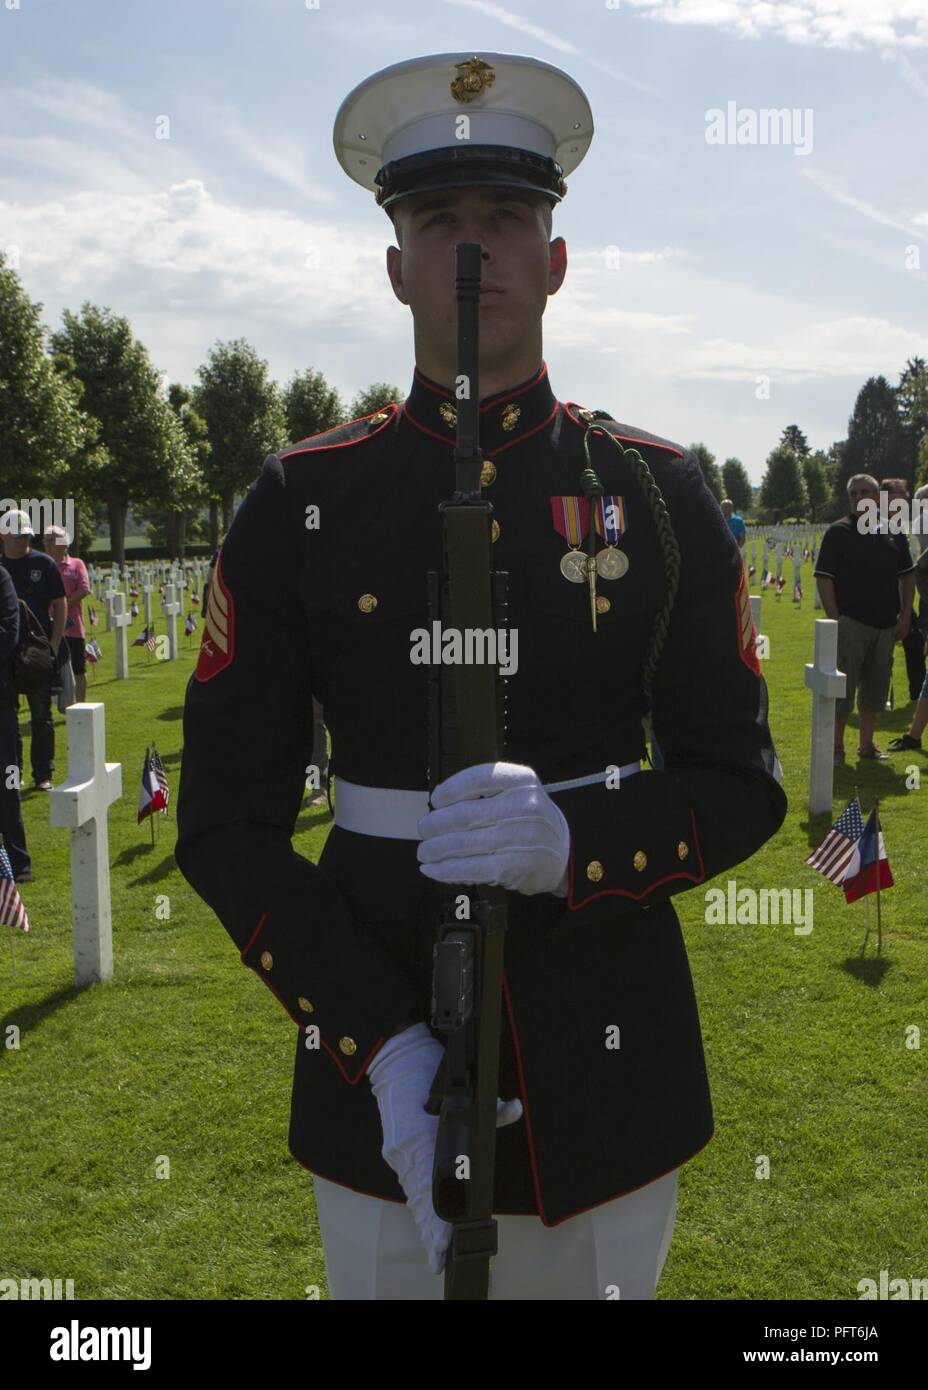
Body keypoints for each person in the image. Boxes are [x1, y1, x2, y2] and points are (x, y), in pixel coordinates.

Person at [176, 51, 787, 1300]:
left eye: (506, 218)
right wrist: (382, 1046)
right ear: (394, 263)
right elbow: (226, 824)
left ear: (555, 257)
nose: (475, 251)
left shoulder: (657, 499)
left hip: (606, 1079)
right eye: (437, 221)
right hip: (375, 1082)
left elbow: (739, 781)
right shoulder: (302, 498)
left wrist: (576, 841)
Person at [814, 475, 915, 762]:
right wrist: (836, 619)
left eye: (864, 492)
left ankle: (867, 746)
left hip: (886, 626)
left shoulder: (893, 533)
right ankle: (836, 747)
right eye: (853, 494)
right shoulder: (839, 532)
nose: (858, 497)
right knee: (842, 690)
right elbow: (824, 578)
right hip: (852, 624)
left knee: (875, 689)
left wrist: (905, 614)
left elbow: (906, 576)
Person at [0, 509, 66, 790]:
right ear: (3, 535)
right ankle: (14, 775)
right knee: (9, 720)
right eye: (17, 536)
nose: (22, 542)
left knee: (41, 716)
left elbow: (60, 604)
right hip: (6, 652)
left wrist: (53, 644)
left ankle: (43, 774)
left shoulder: (44, 563)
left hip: (37, 650)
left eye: (26, 536)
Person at [882, 478, 926, 702]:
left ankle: (917, 693)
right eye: (902, 493)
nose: (907, 497)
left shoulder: (899, 526)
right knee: (880, 651)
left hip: (902, 598)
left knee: (915, 642)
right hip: (884, 599)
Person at [0, 562, 31, 882]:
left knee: (6, 780)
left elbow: (8, 634)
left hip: (0, 700)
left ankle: (17, 859)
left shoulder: (2, 578)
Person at [43, 524, 90, 704]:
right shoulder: (43, 566)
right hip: (49, 627)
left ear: (63, 543)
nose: (47, 544)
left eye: (51, 540)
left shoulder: (76, 564)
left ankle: (80, 706)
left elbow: (84, 589)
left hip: (73, 627)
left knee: (78, 668)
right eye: (45, 541)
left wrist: (61, 607)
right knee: (48, 667)